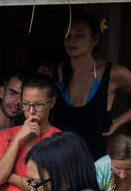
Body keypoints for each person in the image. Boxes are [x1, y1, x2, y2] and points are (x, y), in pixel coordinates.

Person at [50, 12, 131, 160]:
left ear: (95, 39)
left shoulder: (112, 73)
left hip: (97, 167)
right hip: (60, 164)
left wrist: (119, 122)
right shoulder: (57, 73)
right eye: (68, 36)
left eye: (79, 35)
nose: (71, 41)